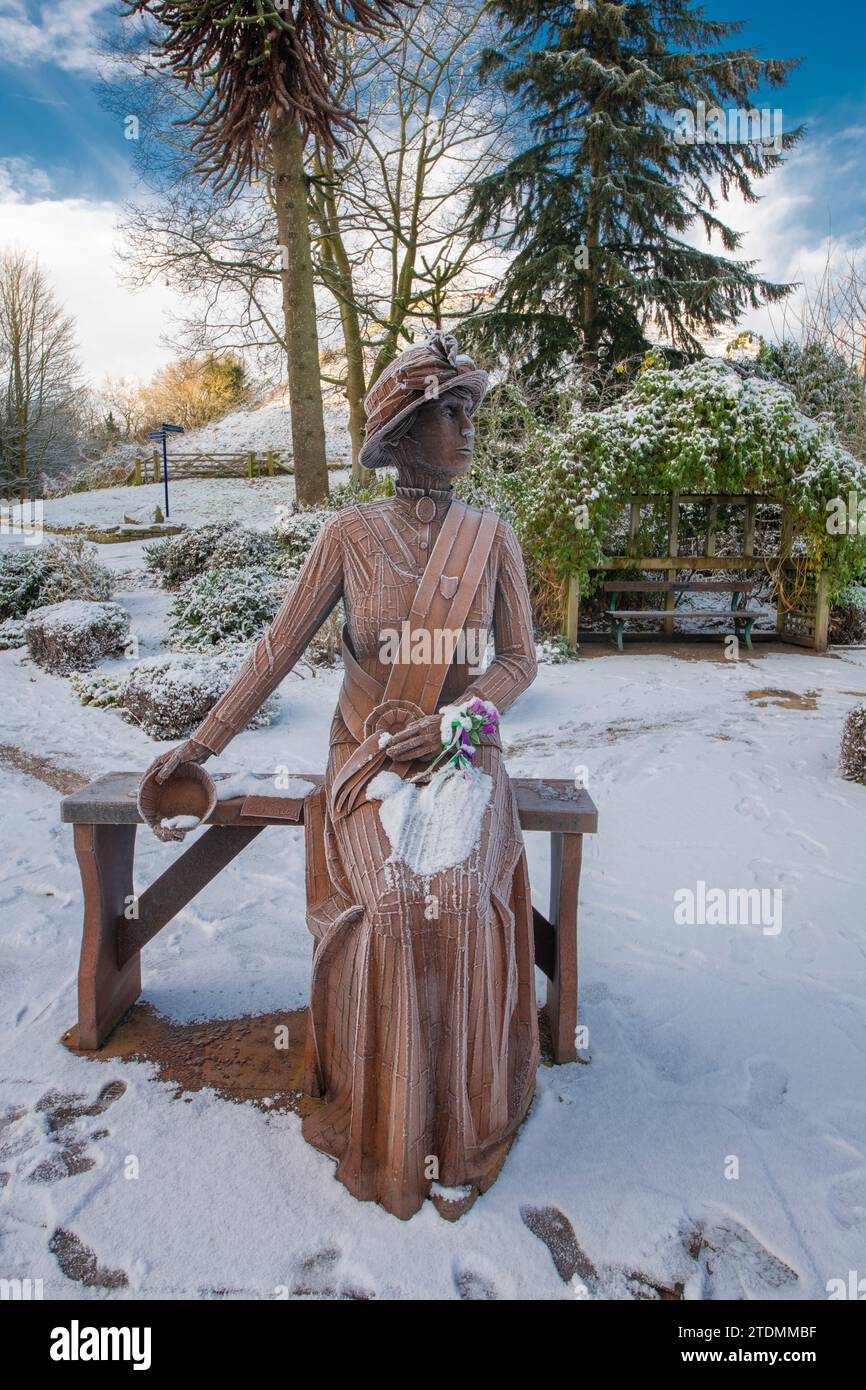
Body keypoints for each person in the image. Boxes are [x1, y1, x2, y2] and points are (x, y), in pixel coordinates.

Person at [144, 332, 540, 1220]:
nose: (466, 427)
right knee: (395, 905)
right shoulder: (349, 536)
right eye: (447, 411)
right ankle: (388, 1127)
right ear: (400, 433)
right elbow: (277, 647)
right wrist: (202, 744)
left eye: (471, 410)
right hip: (368, 757)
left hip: (465, 752)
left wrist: (461, 719)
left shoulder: (492, 538)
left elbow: (519, 661)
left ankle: (460, 1130)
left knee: (460, 899)